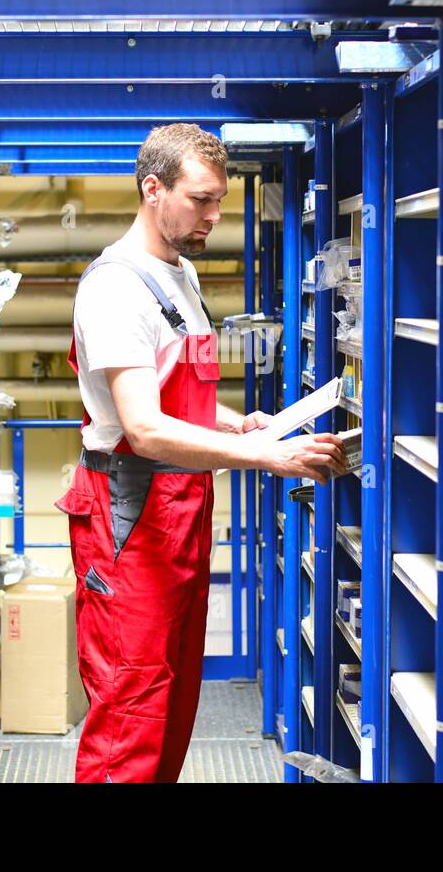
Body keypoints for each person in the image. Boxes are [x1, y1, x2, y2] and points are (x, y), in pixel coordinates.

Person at [56, 123, 347, 783]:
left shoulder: (178, 272)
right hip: (130, 524)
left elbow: (171, 396)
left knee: (171, 709)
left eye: (220, 200)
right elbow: (145, 427)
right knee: (130, 715)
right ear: (152, 189)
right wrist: (265, 458)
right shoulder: (115, 289)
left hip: (181, 517)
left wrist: (240, 424)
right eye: (202, 199)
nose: (215, 216)